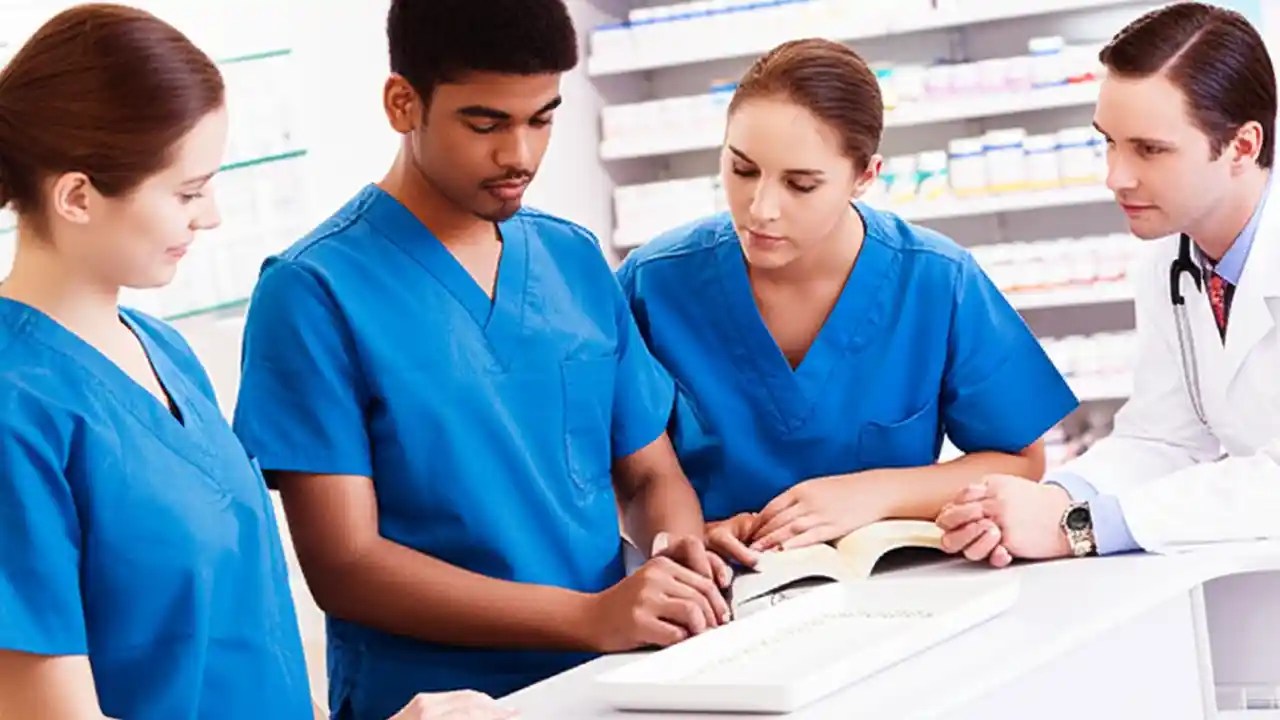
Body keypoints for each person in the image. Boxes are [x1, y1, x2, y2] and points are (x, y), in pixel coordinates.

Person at [0, 5, 517, 720]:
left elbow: (241, 643)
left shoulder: (163, 352)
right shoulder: (15, 409)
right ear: (78, 197)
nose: (210, 215)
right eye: (186, 192)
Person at [231, 1, 728, 718]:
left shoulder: (573, 259)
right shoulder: (313, 291)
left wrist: (675, 559)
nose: (519, 156)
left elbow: (650, 473)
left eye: (542, 119)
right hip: (430, 698)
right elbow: (346, 567)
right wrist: (588, 617)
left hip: (611, 681)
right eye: (486, 123)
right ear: (404, 104)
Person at [616, 38, 1078, 566]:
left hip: (895, 589)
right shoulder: (654, 284)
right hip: (714, 596)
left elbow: (1020, 460)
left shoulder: (933, 279)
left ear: (865, 176)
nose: (761, 208)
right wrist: (686, 538)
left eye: (802, 184)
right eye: (742, 170)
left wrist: (871, 493)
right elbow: (617, 473)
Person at [937, 1, 1280, 564]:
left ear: (1243, 146)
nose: (1115, 177)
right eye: (1109, 142)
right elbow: (1163, 438)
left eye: (1150, 149)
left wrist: (1081, 527)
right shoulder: (1171, 257)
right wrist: (1043, 502)